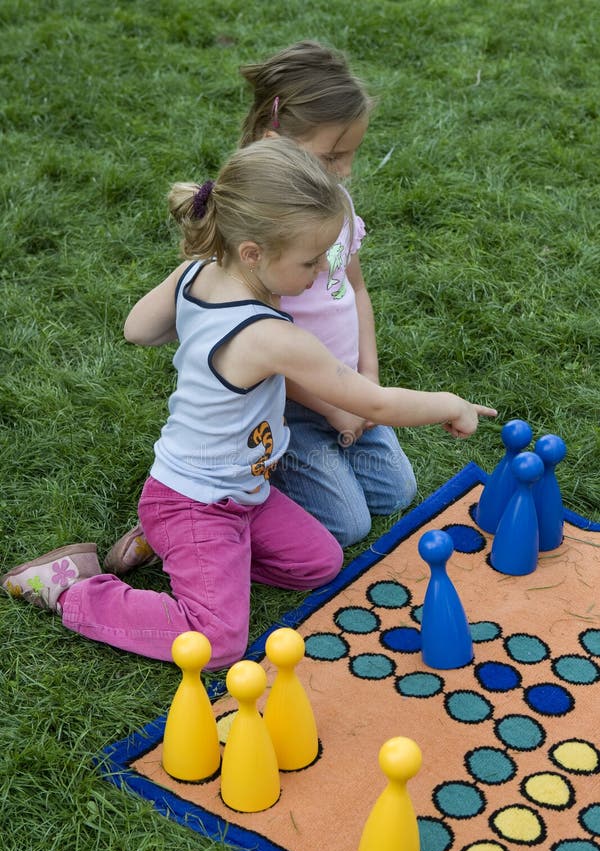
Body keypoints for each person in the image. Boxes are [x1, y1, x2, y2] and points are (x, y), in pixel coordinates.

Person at [2, 139, 496, 670]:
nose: (316, 278)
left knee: (321, 562)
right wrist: (450, 403)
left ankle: (177, 552)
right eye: (309, 262)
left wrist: (187, 283)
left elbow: (137, 330)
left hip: (243, 494)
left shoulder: (198, 272)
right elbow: (373, 402)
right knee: (216, 643)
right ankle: (71, 589)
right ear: (254, 252)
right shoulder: (270, 335)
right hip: (192, 500)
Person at [105, 40, 417, 568]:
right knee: (348, 524)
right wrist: (342, 406)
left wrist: (369, 379)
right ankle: (197, 516)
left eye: (350, 155)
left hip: (347, 390)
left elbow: (355, 288)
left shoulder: (331, 205)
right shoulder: (261, 252)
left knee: (395, 493)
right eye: (332, 156)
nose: (345, 172)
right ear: (278, 142)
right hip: (288, 407)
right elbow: (274, 356)